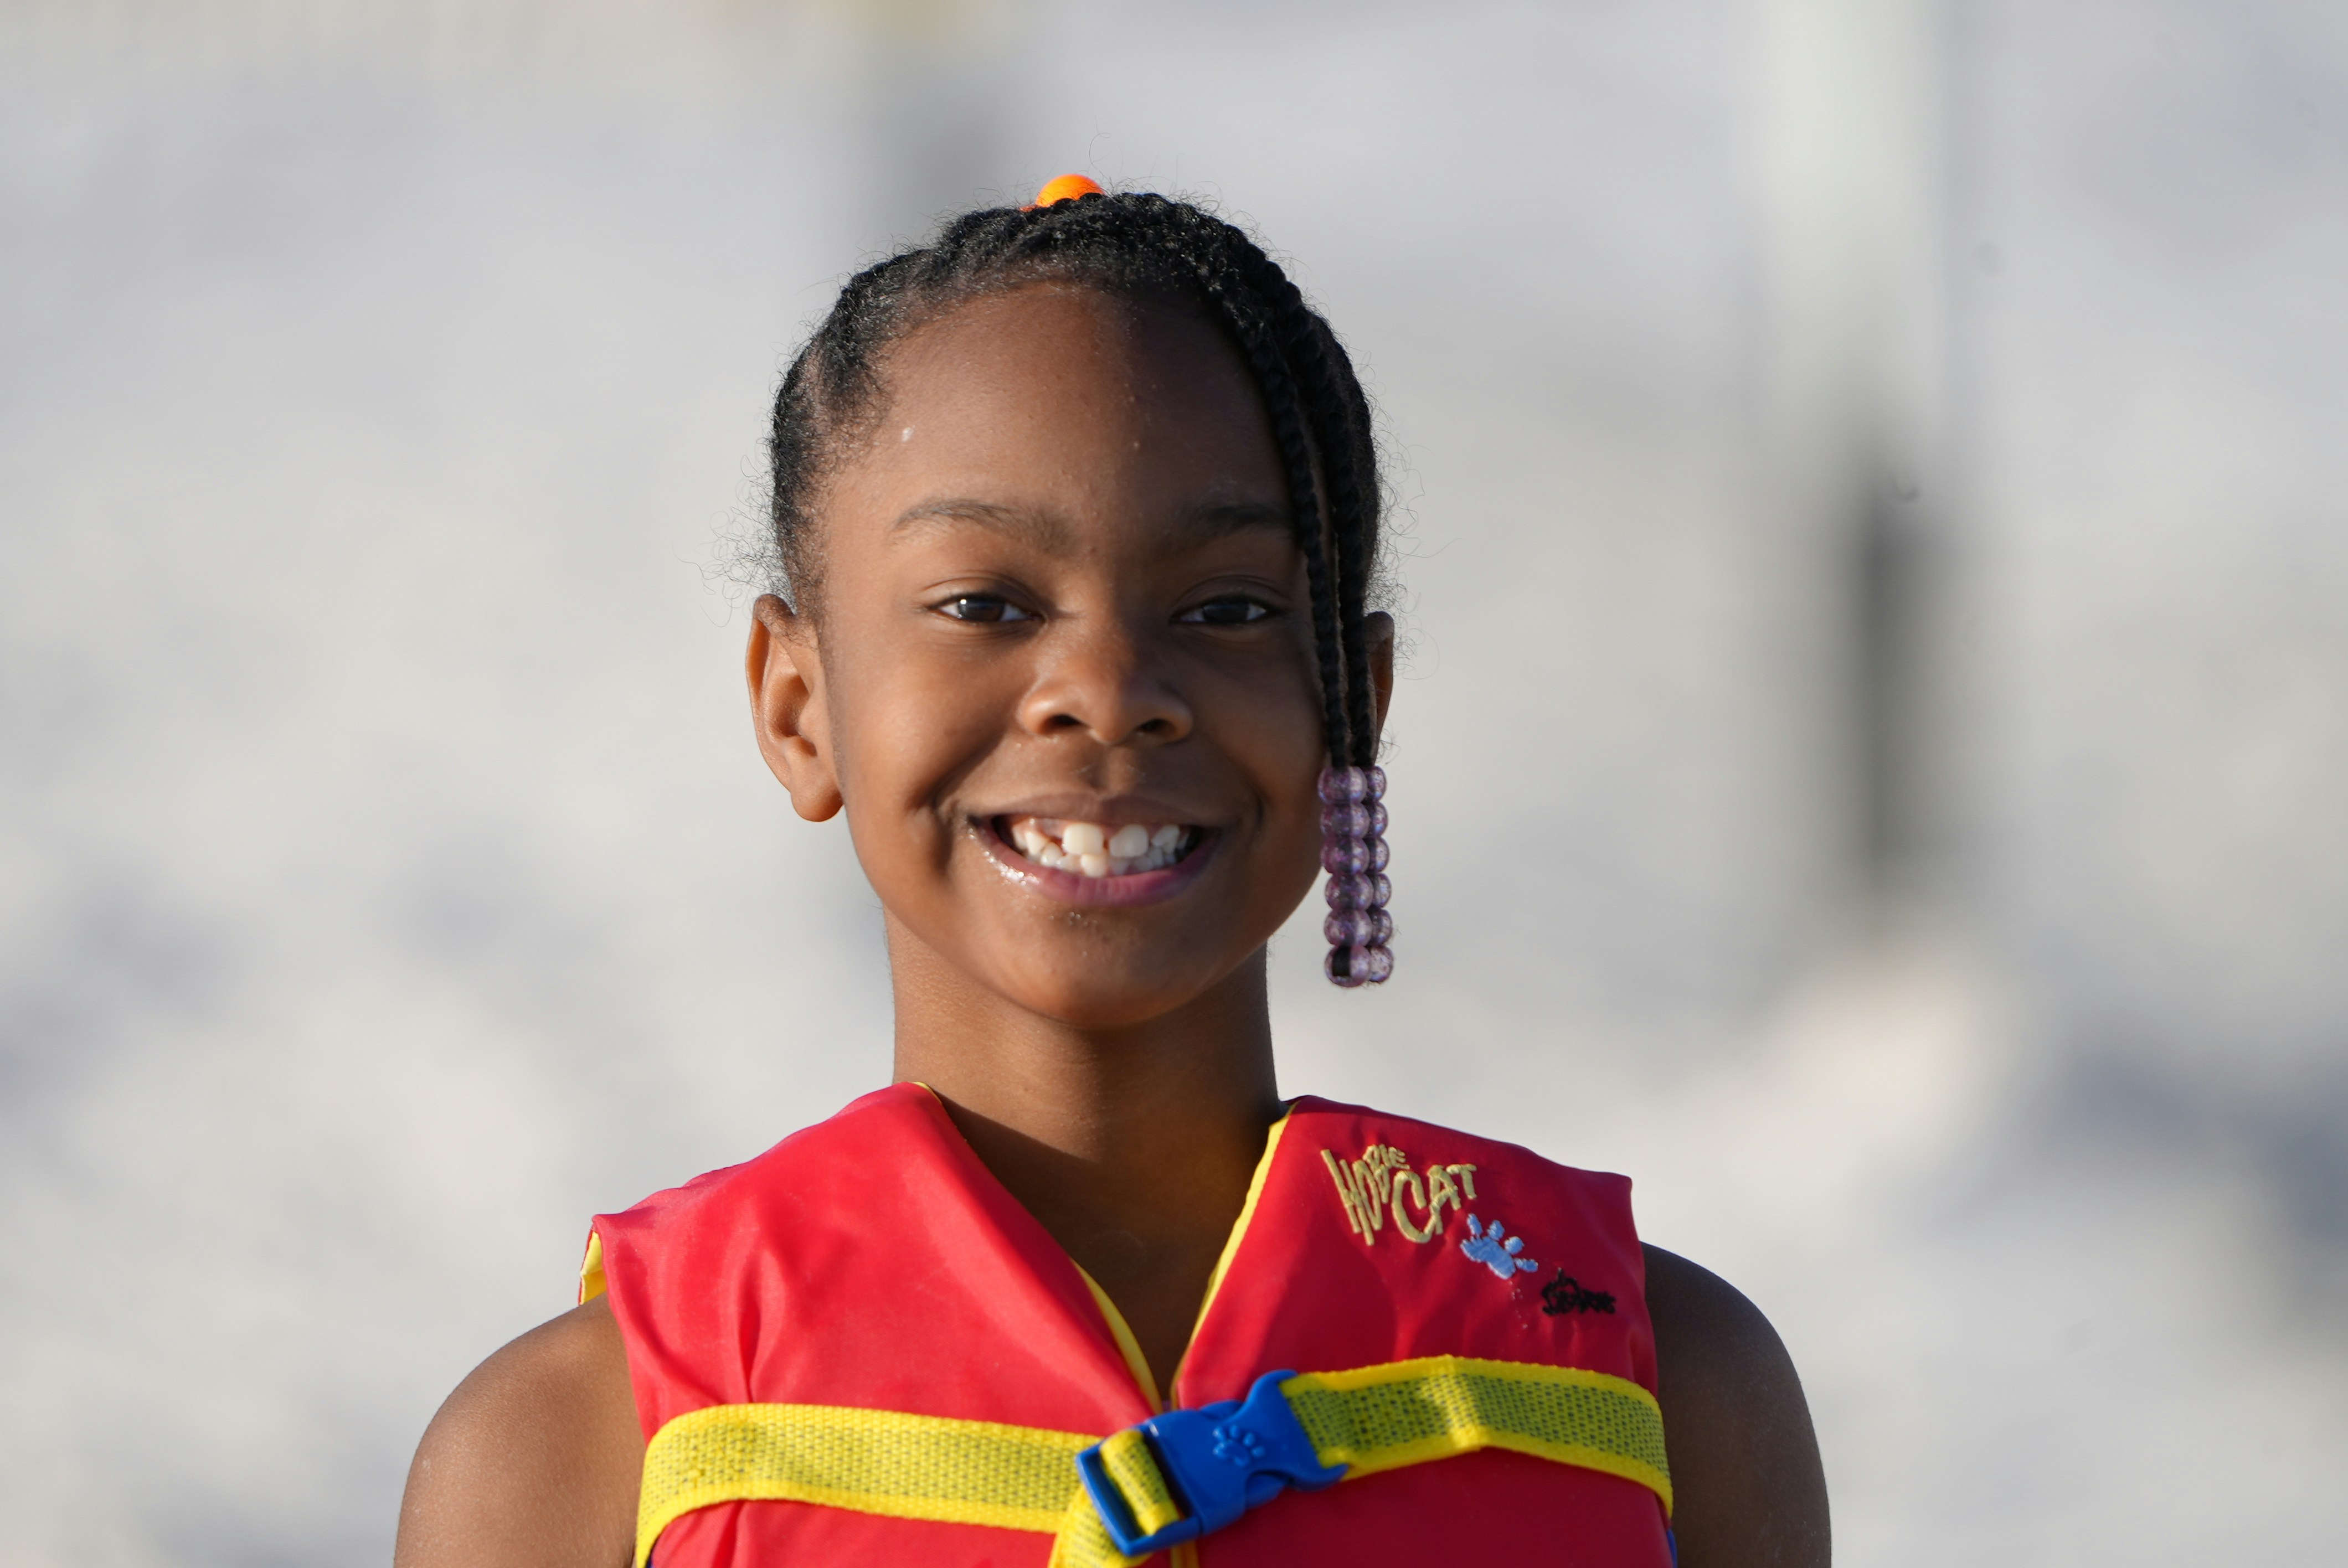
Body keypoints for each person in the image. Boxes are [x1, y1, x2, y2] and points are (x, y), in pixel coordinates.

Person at [394, 176, 1829, 1568]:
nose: (1108, 689)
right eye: (983, 604)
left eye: (1227, 606)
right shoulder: (589, 1454)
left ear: (1355, 703)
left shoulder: (1648, 1392)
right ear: (796, 703)